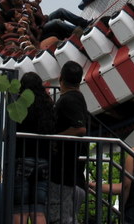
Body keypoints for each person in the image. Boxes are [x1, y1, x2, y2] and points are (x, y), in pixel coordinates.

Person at [48, 62, 88, 224]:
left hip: (64, 176)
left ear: (61, 79)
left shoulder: (69, 100)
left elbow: (80, 129)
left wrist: (56, 137)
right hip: (72, 175)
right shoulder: (77, 98)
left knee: (61, 218)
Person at [13, 72, 56, 224]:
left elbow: (11, 131)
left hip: (23, 158)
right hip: (44, 160)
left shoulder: (19, 103)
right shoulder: (47, 105)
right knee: (38, 210)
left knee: (20, 209)